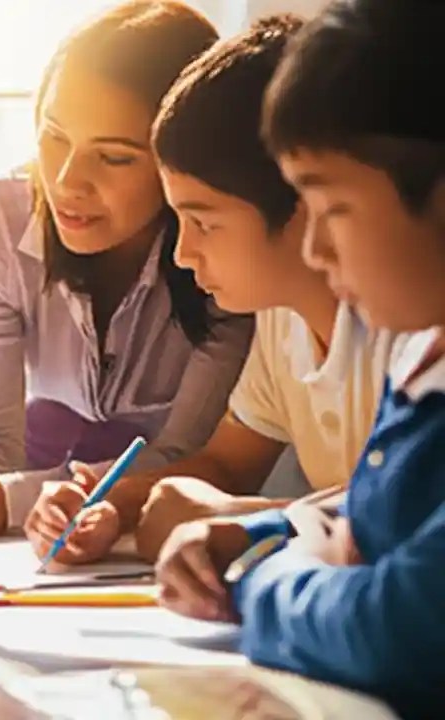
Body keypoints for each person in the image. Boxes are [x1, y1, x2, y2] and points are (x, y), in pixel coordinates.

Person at [155, 2, 445, 716]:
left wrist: (259, 582)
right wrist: (258, 535)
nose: (314, 250)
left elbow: (401, 625)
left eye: (333, 210)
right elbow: (375, 513)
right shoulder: (423, 356)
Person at [25, 15, 400, 564]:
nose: (182, 253)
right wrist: (110, 501)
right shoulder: (281, 321)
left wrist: (238, 520)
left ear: (301, 203)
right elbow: (225, 463)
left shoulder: (405, 323)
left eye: (203, 223)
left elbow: (405, 514)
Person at [0, 1, 252, 550]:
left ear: (182, 163)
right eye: (54, 139)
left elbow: (182, 458)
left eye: (116, 158)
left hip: (160, 533)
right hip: (37, 538)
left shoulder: (225, 252)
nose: (68, 181)